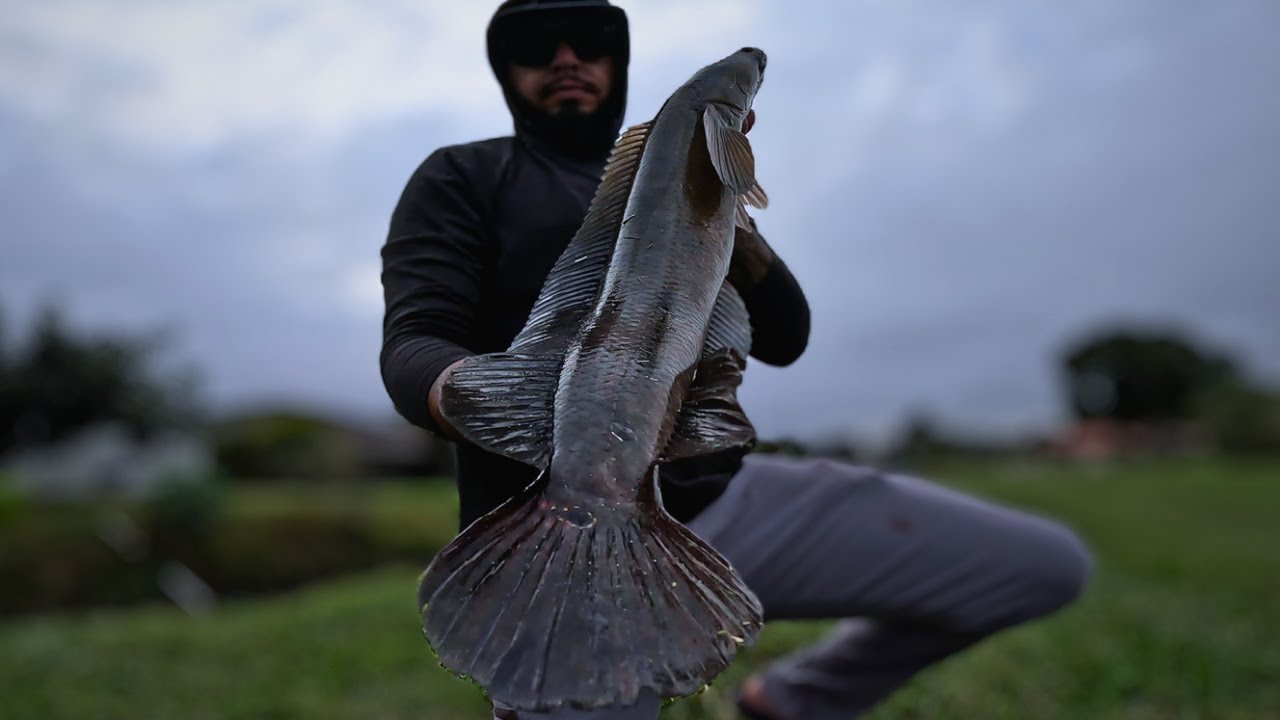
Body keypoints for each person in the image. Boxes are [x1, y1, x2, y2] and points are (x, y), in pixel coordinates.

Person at [381, 2, 1093, 718]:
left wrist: (728, 215)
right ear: (506, 68)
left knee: (1040, 567)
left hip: (729, 500)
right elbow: (414, 343)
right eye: (535, 44)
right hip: (562, 538)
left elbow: (787, 336)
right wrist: (496, 399)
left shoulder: (703, 194)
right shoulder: (462, 177)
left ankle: (789, 704)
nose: (566, 58)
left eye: (591, 40)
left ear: (619, 61)